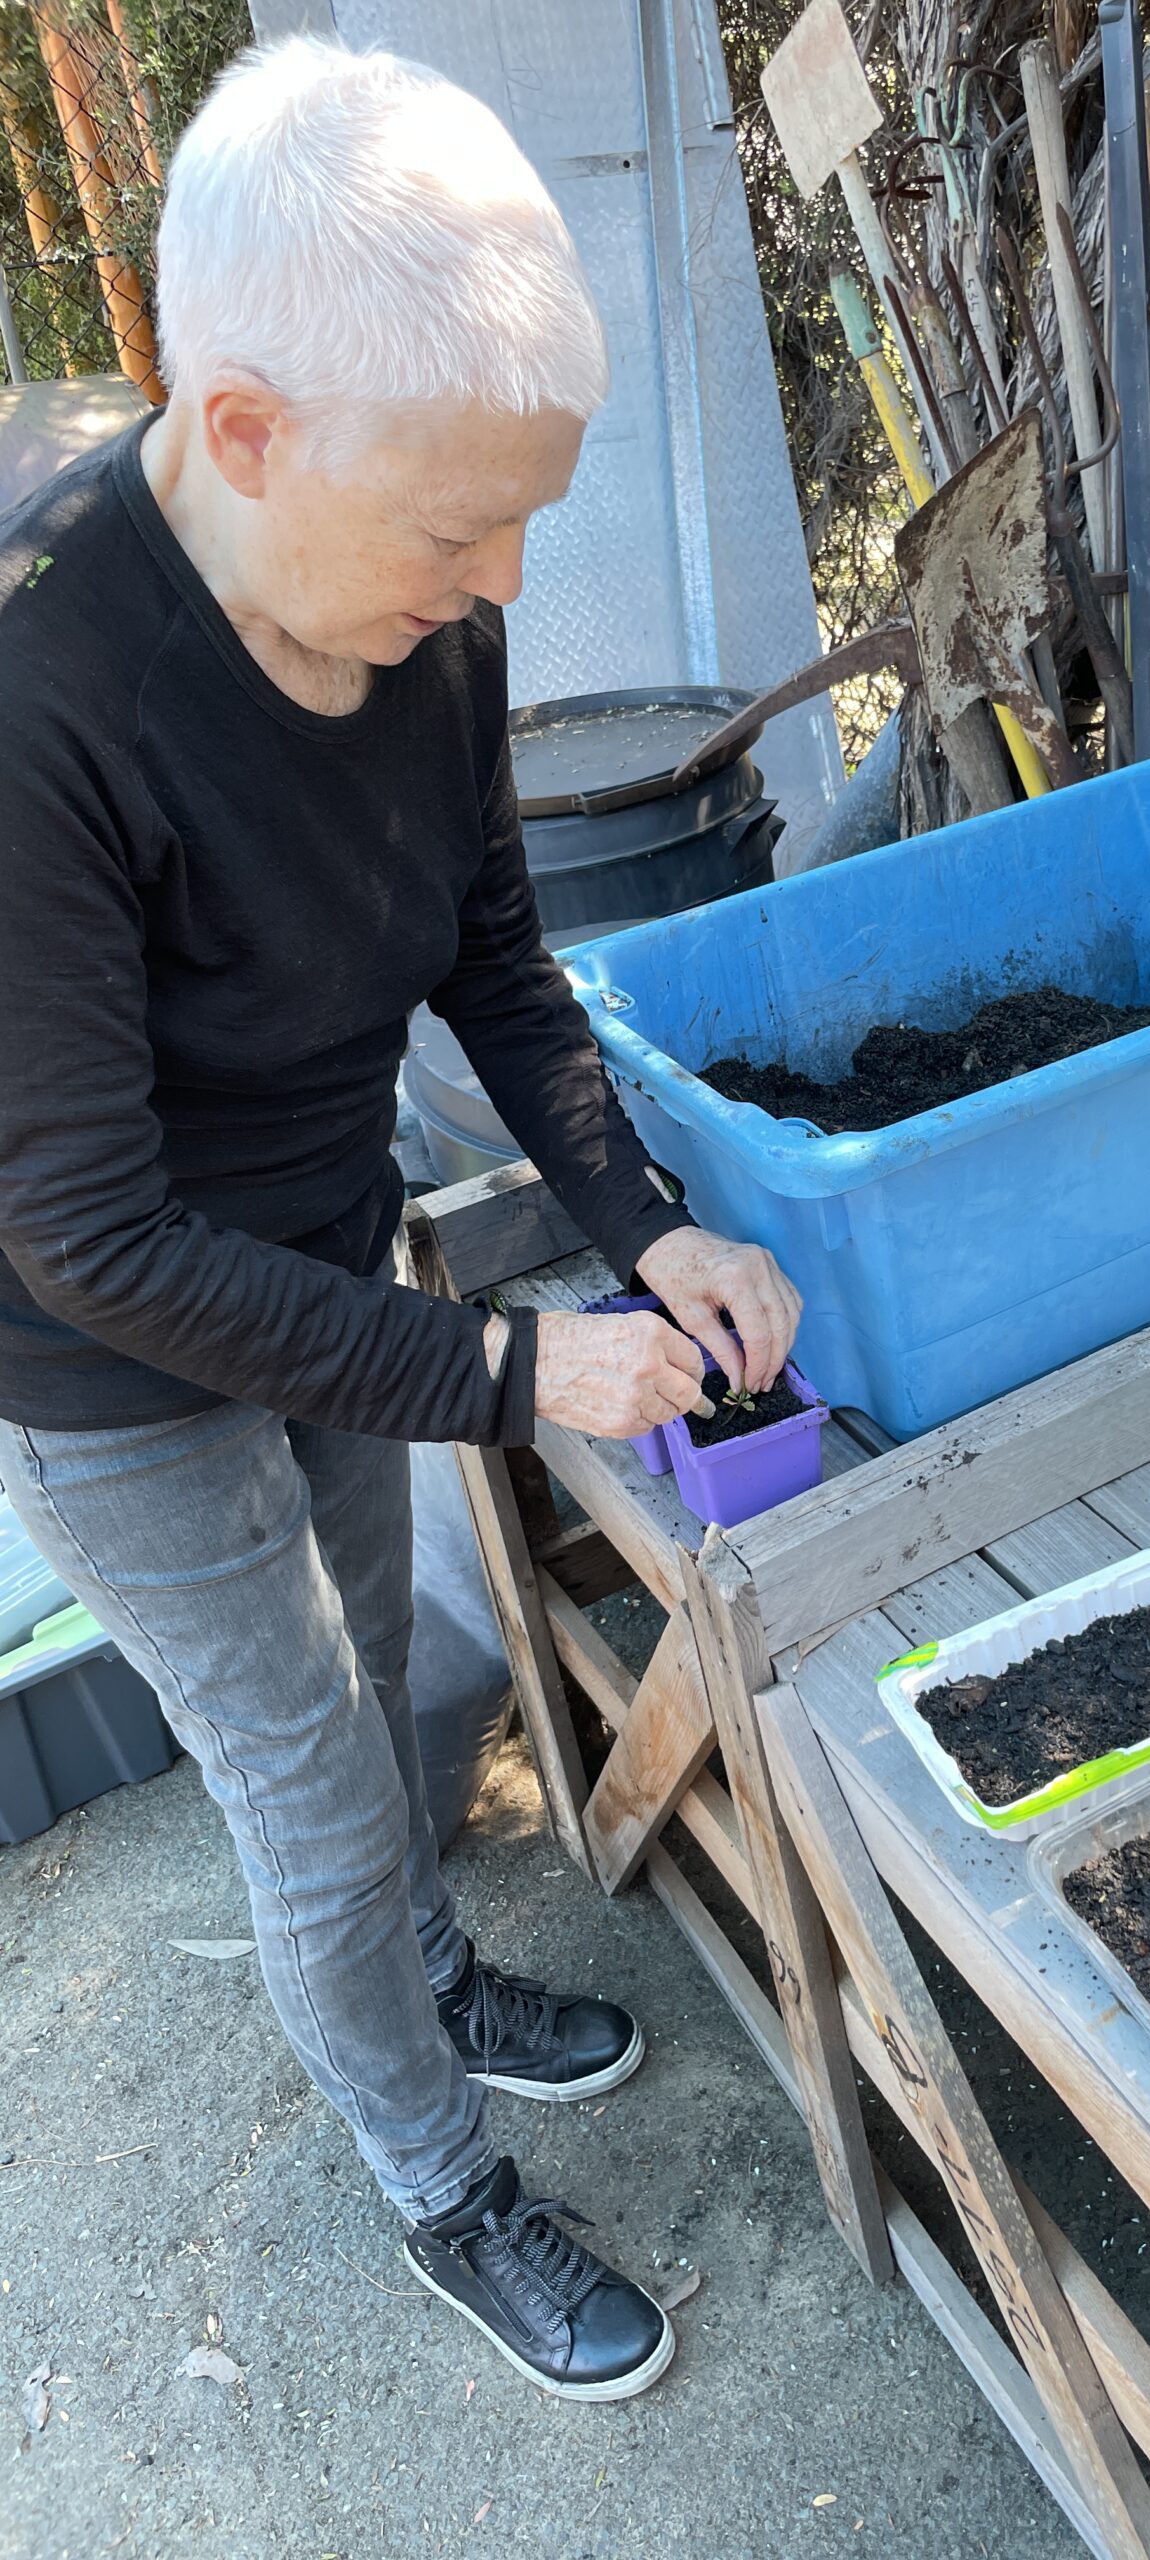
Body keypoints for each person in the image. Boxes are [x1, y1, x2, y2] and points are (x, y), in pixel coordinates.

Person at [0, 37, 802, 2402]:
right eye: (461, 533)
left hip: (325, 1250)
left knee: (378, 1659)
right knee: (319, 1787)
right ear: (244, 430)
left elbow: (496, 958)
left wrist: (641, 1227)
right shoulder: (48, 694)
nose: (504, 589)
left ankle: (431, 1974)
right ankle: (442, 2178)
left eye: (521, 531)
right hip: (106, 1350)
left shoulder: (425, 611)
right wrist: (517, 1365)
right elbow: (89, 1235)